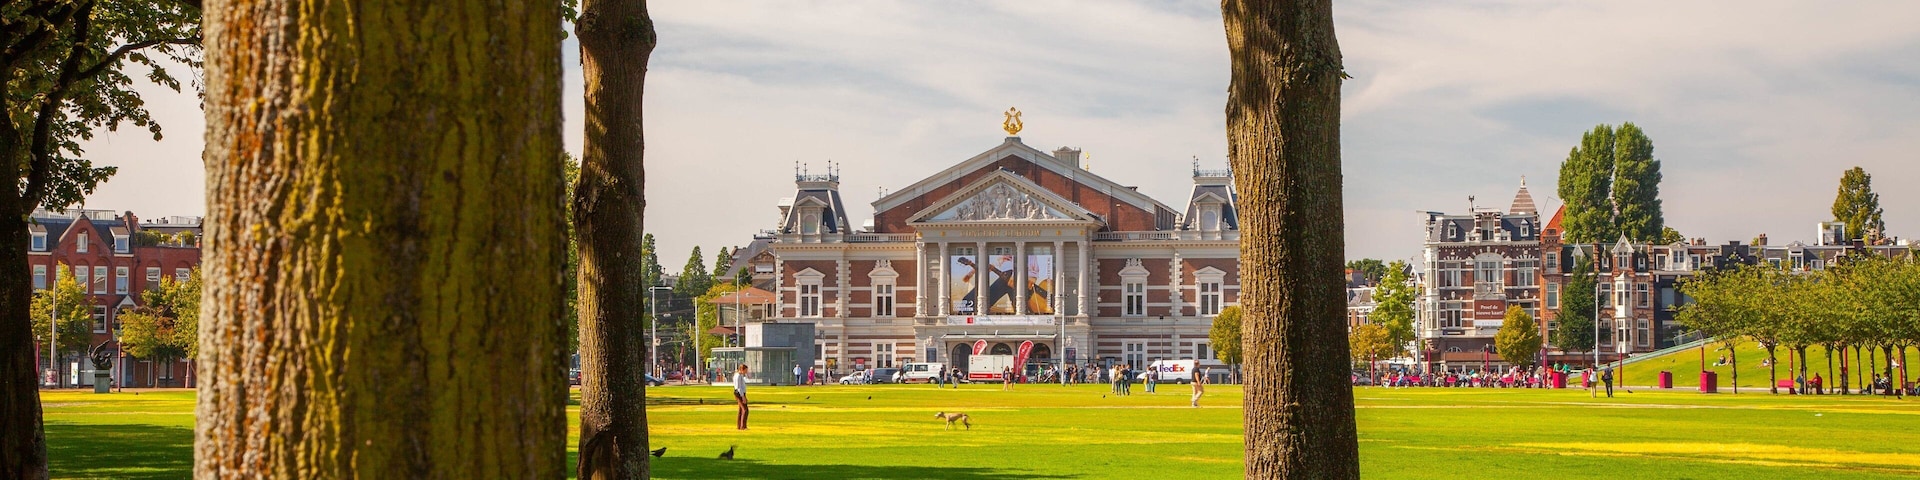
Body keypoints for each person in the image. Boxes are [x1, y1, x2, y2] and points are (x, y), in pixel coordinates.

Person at [732, 364, 750, 430]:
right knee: (745, 410)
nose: (746, 372)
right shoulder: (738, 376)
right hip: (739, 393)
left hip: (741, 393)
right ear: (742, 369)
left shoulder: (740, 375)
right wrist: (743, 397)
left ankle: (739, 426)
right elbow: (738, 387)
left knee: (741, 410)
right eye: (745, 370)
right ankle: (743, 426)